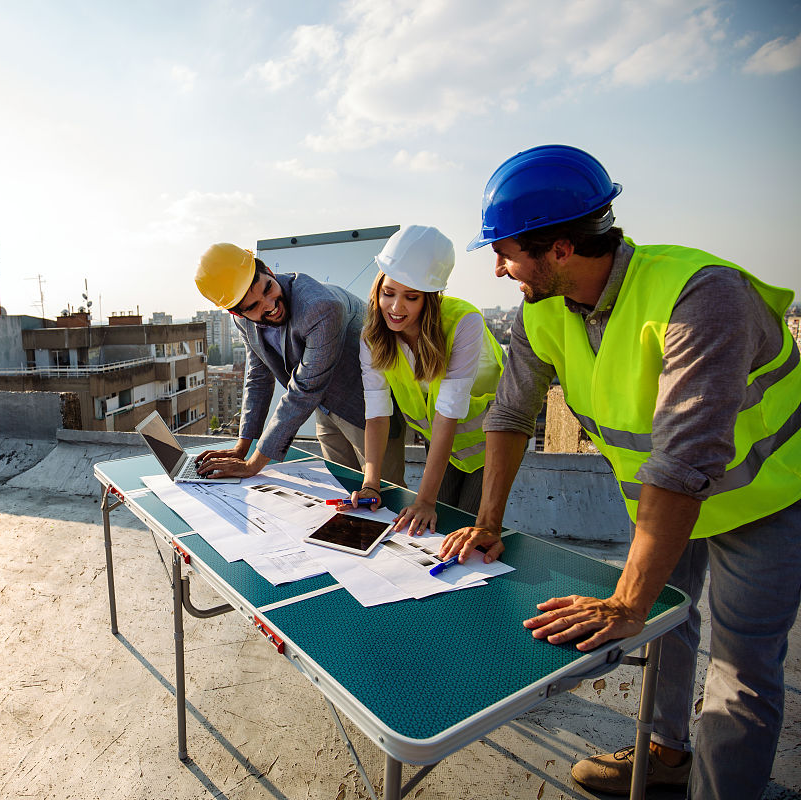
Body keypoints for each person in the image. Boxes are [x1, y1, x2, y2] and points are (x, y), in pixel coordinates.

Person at [440, 144, 801, 799]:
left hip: (768, 498)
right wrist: (487, 523)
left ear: (559, 249)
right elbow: (511, 414)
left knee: (741, 668)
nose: (496, 268)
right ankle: (665, 755)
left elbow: (683, 463)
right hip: (665, 504)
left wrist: (627, 601)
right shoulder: (541, 311)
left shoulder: (700, 295)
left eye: (505, 251)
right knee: (670, 629)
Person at [192, 242, 406, 486]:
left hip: (367, 405)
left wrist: (253, 465)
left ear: (270, 272)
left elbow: (303, 390)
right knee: (345, 490)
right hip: (325, 406)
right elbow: (258, 378)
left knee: (385, 492)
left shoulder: (321, 307)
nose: (269, 305)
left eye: (267, 289)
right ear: (237, 314)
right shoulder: (245, 323)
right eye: (253, 307)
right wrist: (242, 447)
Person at [341, 225, 503, 534]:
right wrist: (371, 484)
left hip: (490, 441)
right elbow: (376, 414)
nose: (396, 308)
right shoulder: (373, 337)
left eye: (411, 297)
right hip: (440, 441)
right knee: (433, 527)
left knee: (464, 527)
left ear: (430, 297)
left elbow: (447, 414)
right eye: (388, 293)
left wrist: (425, 500)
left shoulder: (464, 323)